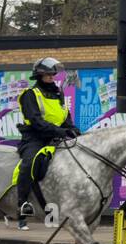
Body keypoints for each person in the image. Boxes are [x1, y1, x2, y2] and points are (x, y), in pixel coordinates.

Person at [16, 57, 79, 229]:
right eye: (48, 73)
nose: (52, 76)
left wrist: (74, 131)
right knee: (30, 163)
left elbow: (65, 117)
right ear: (39, 75)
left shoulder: (58, 93)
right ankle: (22, 206)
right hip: (35, 138)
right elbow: (36, 121)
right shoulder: (30, 95)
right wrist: (60, 131)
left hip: (55, 138)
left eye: (53, 73)